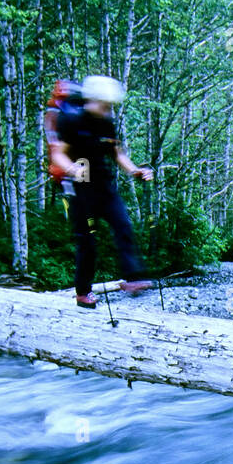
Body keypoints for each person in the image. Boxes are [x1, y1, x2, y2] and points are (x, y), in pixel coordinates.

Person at [49, 75, 154, 308]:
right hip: (81, 190)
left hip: (105, 187)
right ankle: (83, 293)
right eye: (104, 105)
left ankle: (133, 278)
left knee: (123, 225)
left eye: (109, 106)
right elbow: (58, 153)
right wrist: (70, 168)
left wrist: (135, 170)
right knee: (87, 240)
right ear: (92, 100)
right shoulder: (71, 120)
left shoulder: (106, 123)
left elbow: (118, 154)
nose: (108, 109)